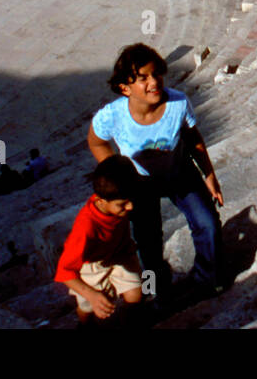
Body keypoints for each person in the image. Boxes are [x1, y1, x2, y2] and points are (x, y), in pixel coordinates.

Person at [88, 43, 225, 304]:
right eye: (143, 79)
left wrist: (209, 176)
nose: (154, 82)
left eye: (156, 74)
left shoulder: (177, 102)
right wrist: (118, 175)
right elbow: (96, 141)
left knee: (207, 223)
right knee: (147, 243)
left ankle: (208, 281)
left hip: (179, 172)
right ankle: (158, 290)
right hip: (140, 183)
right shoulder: (113, 116)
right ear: (125, 88)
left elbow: (193, 138)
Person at [55, 155, 147, 327]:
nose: (130, 207)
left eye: (131, 200)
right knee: (89, 306)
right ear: (100, 201)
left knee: (136, 293)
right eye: (123, 204)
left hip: (120, 252)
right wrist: (90, 294)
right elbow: (64, 271)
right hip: (92, 264)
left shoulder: (117, 199)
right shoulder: (85, 228)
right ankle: (85, 325)